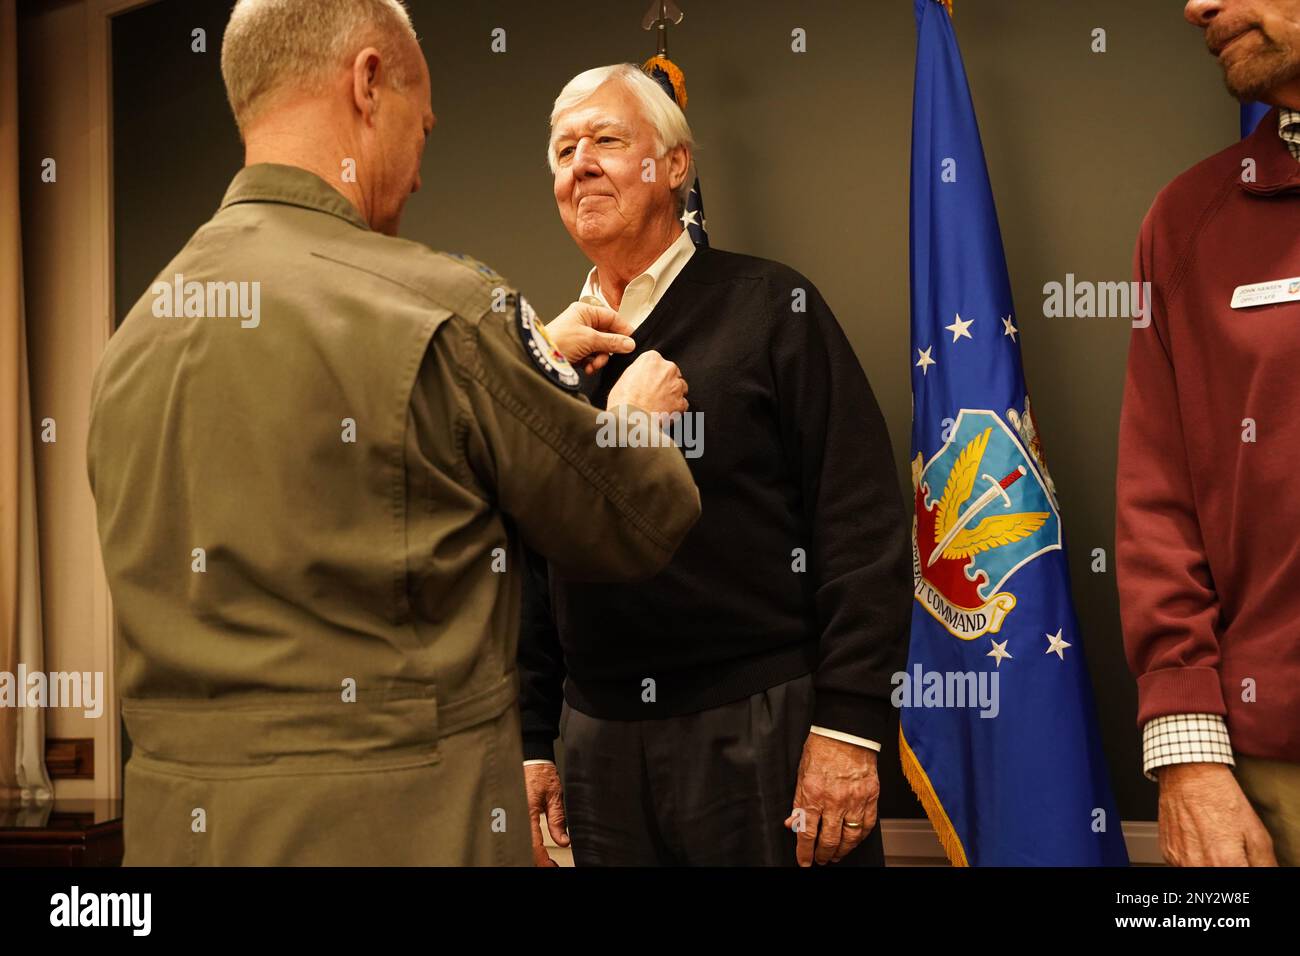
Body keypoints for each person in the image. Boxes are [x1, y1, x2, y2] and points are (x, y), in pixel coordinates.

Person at [86, 0, 699, 866]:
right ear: (369, 84)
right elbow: (635, 522)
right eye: (423, 126)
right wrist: (629, 423)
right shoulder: (443, 308)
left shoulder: (131, 344)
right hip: (401, 832)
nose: (416, 175)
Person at [519, 64, 910, 867]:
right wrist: (531, 739)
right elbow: (527, 559)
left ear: (675, 166)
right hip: (596, 744)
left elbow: (860, 522)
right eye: (563, 150)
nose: (580, 163)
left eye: (607, 141)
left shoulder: (774, 308)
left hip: (762, 726)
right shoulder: (541, 355)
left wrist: (850, 725)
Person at [1117, 0, 1300, 868]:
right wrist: (1189, 757)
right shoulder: (1189, 219)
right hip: (1273, 775)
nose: (1197, 4)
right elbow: (1159, 502)